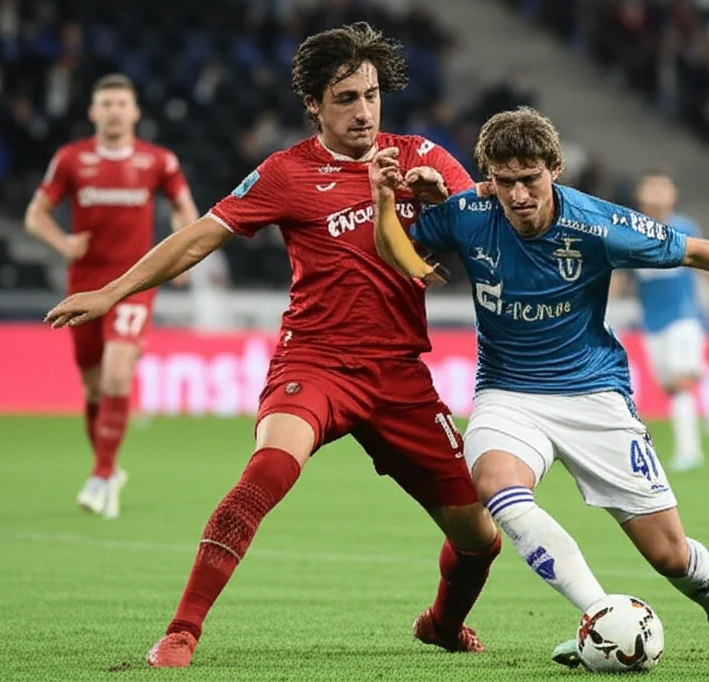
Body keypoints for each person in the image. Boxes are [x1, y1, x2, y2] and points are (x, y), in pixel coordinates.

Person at [45, 23, 500, 668]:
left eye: (371, 95)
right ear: (314, 103)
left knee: (480, 539)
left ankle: (441, 624)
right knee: (267, 471)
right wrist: (112, 291)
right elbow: (200, 236)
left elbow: (486, 231)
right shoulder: (286, 173)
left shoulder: (417, 156)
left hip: (398, 374)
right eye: (346, 98)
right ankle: (182, 631)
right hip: (314, 361)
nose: (364, 111)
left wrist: (448, 201)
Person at [370, 106, 709, 668]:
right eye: (505, 182)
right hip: (507, 392)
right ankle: (599, 616)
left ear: (555, 170)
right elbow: (398, 253)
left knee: (670, 555)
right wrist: (386, 202)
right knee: (495, 484)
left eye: (530, 180)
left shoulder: (598, 224)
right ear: (488, 178)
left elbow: (698, 251)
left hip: (594, 395)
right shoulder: (467, 214)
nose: (517, 195)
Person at [25, 74, 198, 519]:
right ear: (93, 112)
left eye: (122, 103)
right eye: (107, 103)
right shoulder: (72, 159)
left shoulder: (158, 161)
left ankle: (101, 476)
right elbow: (35, 214)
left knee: (119, 376)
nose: (115, 111)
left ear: (136, 111)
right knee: (94, 385)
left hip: (133, 285)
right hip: (83, 284)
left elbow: (186, 211)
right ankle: (107, 467)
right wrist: (63, 245)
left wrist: (181, 258)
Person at [610, 170, 709, 470]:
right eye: (650, 187)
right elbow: (619, 273)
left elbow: (706, 267)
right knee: (669, 386)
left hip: (685, 318)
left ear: (673, 195)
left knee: (680, 384)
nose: (656, 193)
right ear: (640, 194)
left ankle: (689, 452)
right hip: (653, 322)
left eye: (662, 188)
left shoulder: (684, 227)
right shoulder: (630, 232)